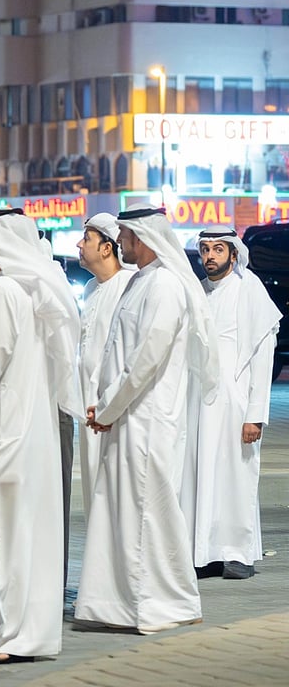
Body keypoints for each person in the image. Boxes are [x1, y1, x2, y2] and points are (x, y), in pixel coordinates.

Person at [76, 204, 218, 634]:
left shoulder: (166, 286)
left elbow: (145, 361)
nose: (120, 242)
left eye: (125, 235)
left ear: (144, 237)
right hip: (126, 416)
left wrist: (109, 407)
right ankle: (119, 605)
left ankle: (165, 604)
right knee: (124, 511)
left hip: (148, 418)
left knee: (148, 512)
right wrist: (107, 406)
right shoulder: (140, 281)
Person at [0, 208, 80, 664]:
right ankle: (16, 631)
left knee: (1, 534)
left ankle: (8, 637)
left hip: (5, 426)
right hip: (33, 427)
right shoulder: (36, 286)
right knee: (22, 533)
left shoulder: (5, 288)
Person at [184, 226, 279, 580]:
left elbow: (262, 355)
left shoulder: (248, 288)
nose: (210, 256)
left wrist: (256, 414)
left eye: (218, 249)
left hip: (236, 405)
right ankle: (206, 553)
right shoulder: (200, 292)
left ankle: (238, 553)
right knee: (200, 477)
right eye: (206, 249)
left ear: (233, 254)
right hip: (199, 403)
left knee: (235, 477)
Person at [74, 216, 133, 523]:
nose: (79, 245)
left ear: (107, 248)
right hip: (88, 407)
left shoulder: (128, 286)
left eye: (86, 239)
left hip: (111, 408)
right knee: (93, 482)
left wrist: (108, 404)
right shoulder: (90, 288)